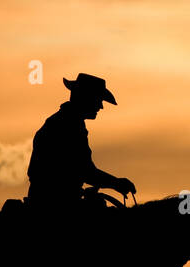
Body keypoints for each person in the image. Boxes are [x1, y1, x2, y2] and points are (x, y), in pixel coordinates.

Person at [26, 73, 136, 217]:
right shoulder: (69, 126)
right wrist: (116, 183)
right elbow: (84, 170)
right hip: (57, 206)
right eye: (98, 99)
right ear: (86, 98)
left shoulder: (63, 122)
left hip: (48, 200)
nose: (101, 106)